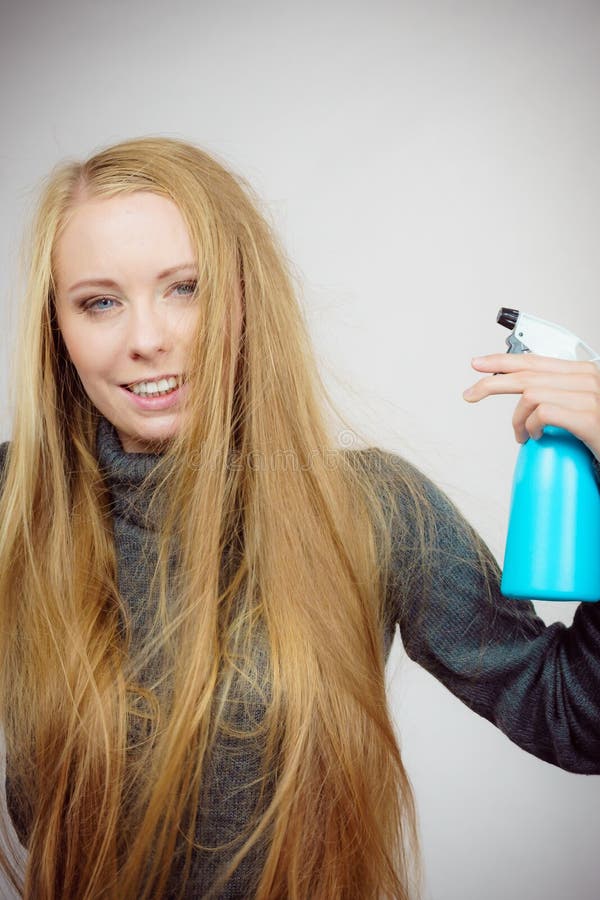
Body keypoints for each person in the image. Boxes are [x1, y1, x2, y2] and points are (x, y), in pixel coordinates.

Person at [0, 136, 598, 900]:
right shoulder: (16, 502)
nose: (146, 339)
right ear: (57, 327)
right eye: (100, 302)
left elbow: (577, 720)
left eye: (186, 288)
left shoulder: (374, 508)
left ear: (245, 299)